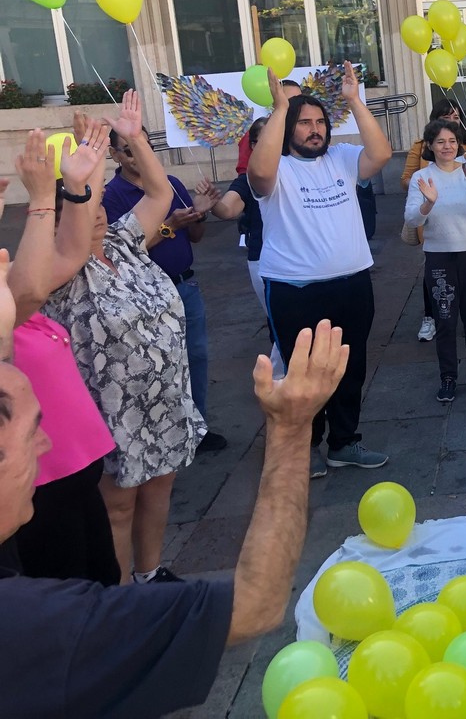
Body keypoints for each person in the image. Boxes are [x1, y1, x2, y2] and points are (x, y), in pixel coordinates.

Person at [0, 313, 351, 719]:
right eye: (32, 432)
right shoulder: (32, 625)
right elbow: (253, 606)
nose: (45, 445)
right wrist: (291, 428)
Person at [41, 91, 205, 584]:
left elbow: (160, 195)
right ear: (58, 214)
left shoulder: (124, 240)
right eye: (79, 201)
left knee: (160, 489)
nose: (93, 209)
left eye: (95, 199)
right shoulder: (58, 269)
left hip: (164, 400)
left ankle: (150, 573)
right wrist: (76, 180)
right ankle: (116, 595)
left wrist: (135, 139)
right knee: (118, 505)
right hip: (111, 411)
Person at [250, 62, 393, 478]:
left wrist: (353, 99)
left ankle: (344, 443)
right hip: (296, 290)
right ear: (287, 128)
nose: (314, 129)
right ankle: (304, 446)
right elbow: (257, 173)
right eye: (303, 122)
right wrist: (280, 109)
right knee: (302, 372)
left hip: (352, 285)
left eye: (319, 122)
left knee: (350, 367)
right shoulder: (277, 171)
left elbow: (380, 153)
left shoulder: (342, 159)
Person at [5, 123, 119, 586]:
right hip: (35, 483)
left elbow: (71, 254)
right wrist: (41, 202)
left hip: (74, 470)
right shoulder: (12, 297)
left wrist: (76, 187)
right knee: (71, 594)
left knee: (103, 581)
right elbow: (31, 287)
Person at [103, 123, 225, 453]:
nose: (138, 153)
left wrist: (199, 214)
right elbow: (122, 250)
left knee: (196, 356)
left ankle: (197, 427)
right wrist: (169, 226)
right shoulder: (111, 196)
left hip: (185, 285)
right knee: (158, 363)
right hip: (143, 294)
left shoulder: (171, 184)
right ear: (114, 154)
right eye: (128, 148)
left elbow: (196, 237)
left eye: (143, 144)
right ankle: (166, 429)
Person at [403, 118, 466, 403]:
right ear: (430, 146)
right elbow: (411, 218)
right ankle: (448, 378)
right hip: (439, 257)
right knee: (445, 320)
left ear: (459, 143)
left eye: (452, 141)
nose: (447, 146)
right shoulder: (423, 177)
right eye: (440, 141)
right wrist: (428, 203)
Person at [198, 118, 285, 378]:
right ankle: (280, 380)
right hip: (266, 261)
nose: (271, 145)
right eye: (261, 140)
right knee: (281, 321)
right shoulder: (248, 179)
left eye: (276, 137)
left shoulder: (303, 169)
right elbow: (228, 208)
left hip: (307, 258)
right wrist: (212, 203)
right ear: (253, 145)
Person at [402, 98, 466, 344]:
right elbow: (407, 179)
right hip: (434, 229)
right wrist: (424, 193)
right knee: (438, 285)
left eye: (455, 116)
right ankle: (431, 318)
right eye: (445, 115)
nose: (451, 121)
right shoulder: (422, 148)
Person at [235, 78, 301, 174]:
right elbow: (245, 174)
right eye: (290, 101)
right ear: (275, 102)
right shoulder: (259, 132)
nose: (298, 105)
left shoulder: (308, 130)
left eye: (301, 99)